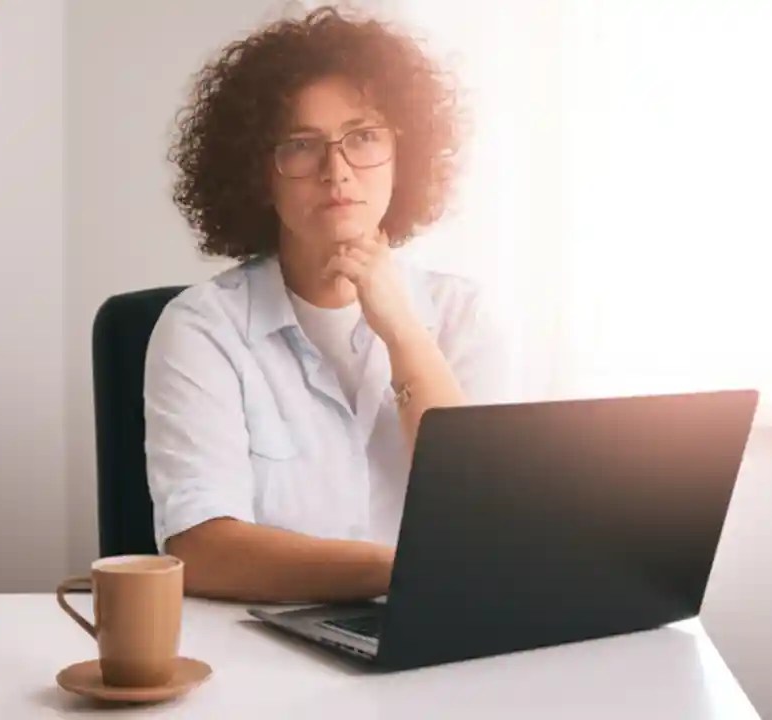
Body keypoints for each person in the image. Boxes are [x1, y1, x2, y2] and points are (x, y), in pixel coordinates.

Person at [147, 5, 507, 604]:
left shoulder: (463, 315)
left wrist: (404, 334)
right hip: (262, 650)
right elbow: (202, 547)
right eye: (301, 145)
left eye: (363, 137)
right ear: (261, 173)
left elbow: (478, 512)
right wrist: (404, 570)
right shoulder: (201, 329)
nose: (336, 171)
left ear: (403, 152)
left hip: (436, 640)